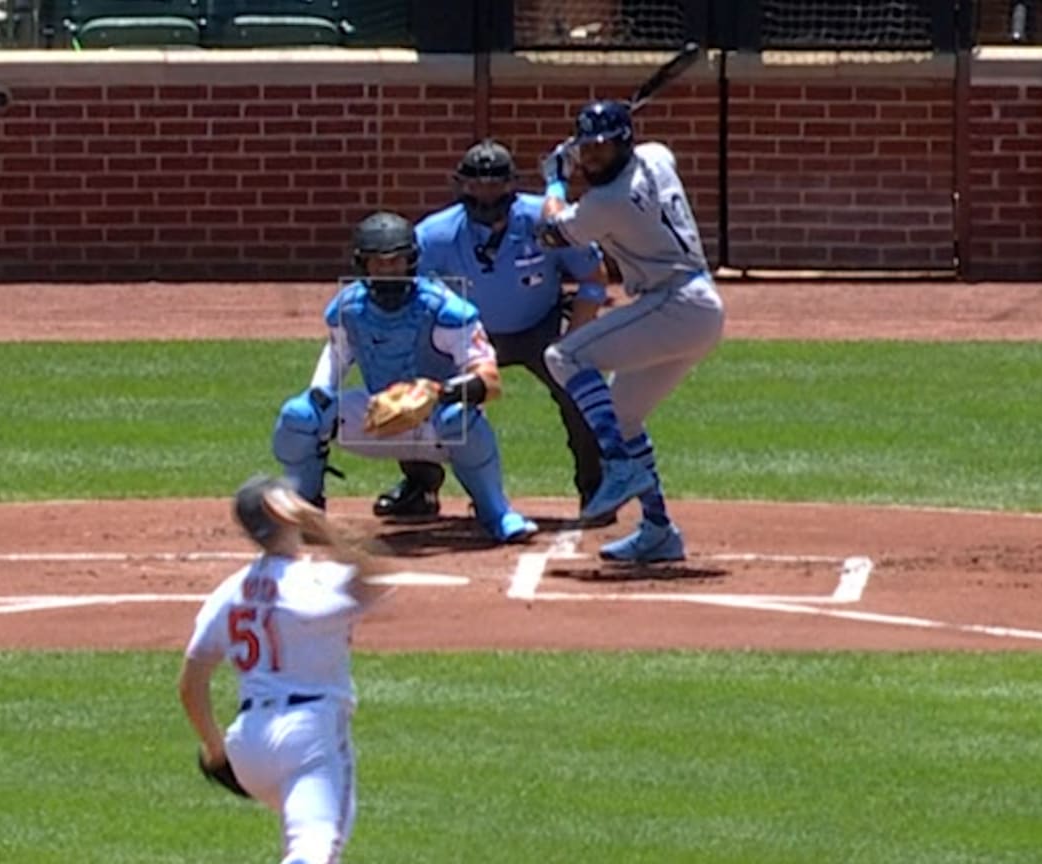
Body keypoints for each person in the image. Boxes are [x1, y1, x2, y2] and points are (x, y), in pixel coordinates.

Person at [372, 139, 612, 525]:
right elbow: (408, 291)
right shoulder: (434, 235)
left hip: (541, 325)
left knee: (580, 388)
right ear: (461, 185)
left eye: (495, 184)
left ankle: (596, 489)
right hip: (466, 335)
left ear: (511, 184)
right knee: (413, 387)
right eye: (476, 184)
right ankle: (420, 484)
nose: (485, 193)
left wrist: (576, 340)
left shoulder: (545, 221)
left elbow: (593, 277)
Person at [270, 210, 539, 545]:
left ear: (411, 262)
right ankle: (305, 511)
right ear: (363, 265)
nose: (388, 271)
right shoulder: (348, 309)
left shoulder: (445, 310)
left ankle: (496, 512)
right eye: (379, 264)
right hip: (377, 417)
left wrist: (437, 393)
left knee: (462, 419)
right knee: (299, 416)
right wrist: (319, 393)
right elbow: (336, 357)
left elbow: (490, 381)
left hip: (434, 426)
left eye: (396, 262)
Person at [536, 99, 726, 562]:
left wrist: (555, 178)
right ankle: (659, 529)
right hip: (692, 305)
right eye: (588, 150)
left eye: (603, 149)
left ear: (625, 144)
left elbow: (552, 231)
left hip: (675, 303)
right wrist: (588, 147)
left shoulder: (608, 202)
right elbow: (654, 158)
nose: (594, 158)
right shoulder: (657, 155)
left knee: (563, 357)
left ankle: (618, 467)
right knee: (623, 415)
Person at [178, 473, 395, 864]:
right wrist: (315, 520)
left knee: (305, 845)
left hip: (247, 746)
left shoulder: (230, 590)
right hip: (308, 736)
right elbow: (375, 576)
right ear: (284, 511)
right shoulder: (315, 581)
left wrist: (215, 750)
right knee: (316, 852)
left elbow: (191, 683)